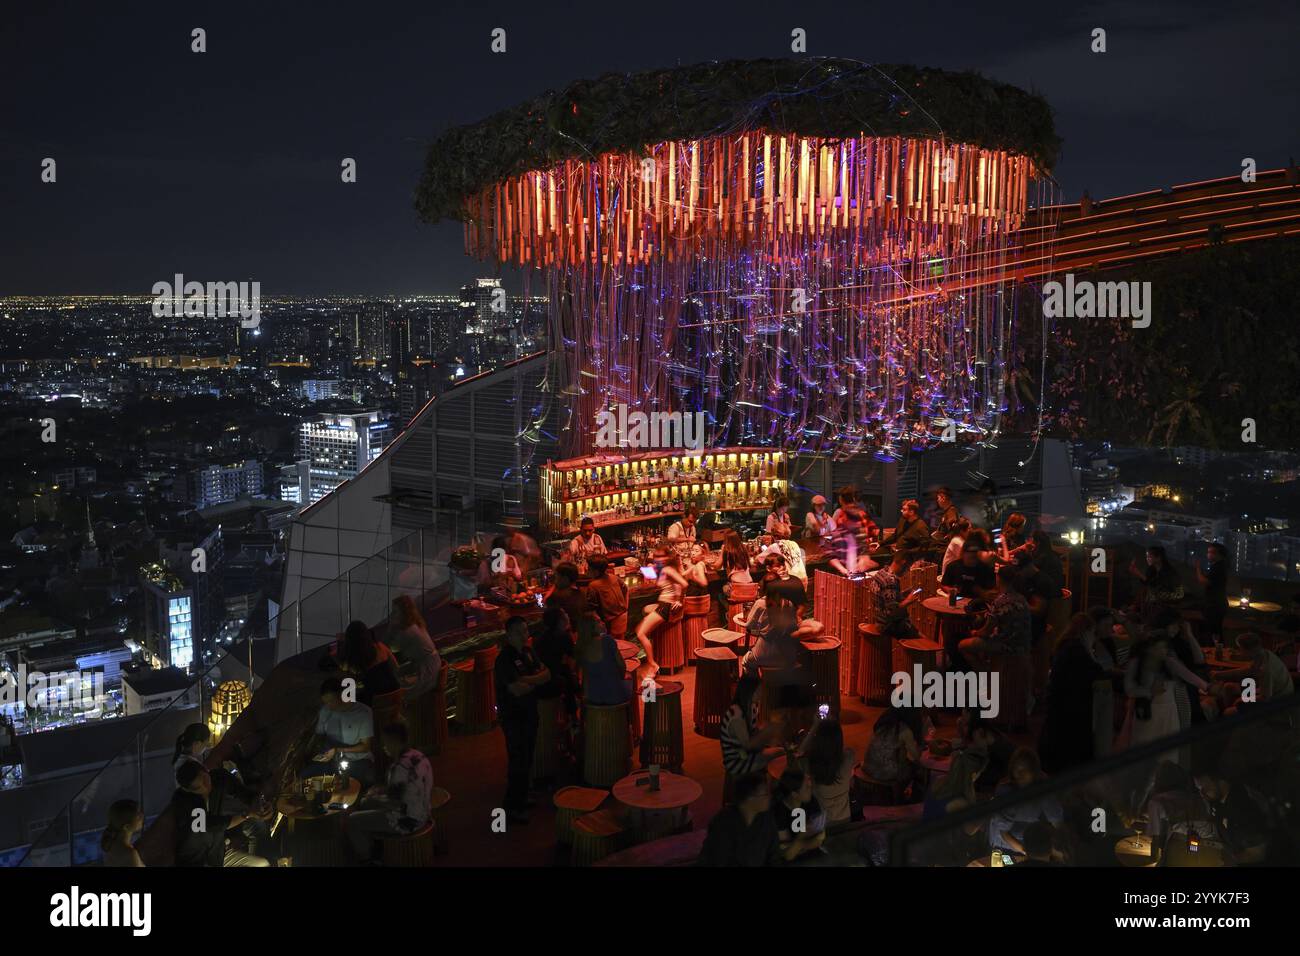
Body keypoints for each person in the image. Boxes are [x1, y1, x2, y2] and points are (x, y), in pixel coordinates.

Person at [344, 722, 434, 864]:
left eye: (385, 742)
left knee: (352, 819)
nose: (383, 746)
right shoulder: (419, 756)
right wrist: (381, 792)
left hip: (408, 821)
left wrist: (375, 796)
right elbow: (408, 787)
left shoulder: (397, 768)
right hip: (424, 811)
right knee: (365, 802)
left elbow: (393, 804)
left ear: (394, 742)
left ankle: (368, 858)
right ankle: (374, 842)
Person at [1038, 613, 1110, 773]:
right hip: (1072, 708)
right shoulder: (1078, 651)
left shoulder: (1064, 646)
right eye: (1093, 633)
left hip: (1060, 705)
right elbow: (1096, 672)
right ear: (1086, 631)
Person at [495, 615, 549, 824]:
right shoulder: (504, 659)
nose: (524, 636)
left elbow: (548, 674)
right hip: (513, 716)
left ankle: (523, 796)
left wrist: (528, 680)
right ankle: (511, 807)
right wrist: (535, 680)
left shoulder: (528, 651)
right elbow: (516, 689)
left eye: (525, 631)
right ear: (508, 635)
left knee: (527, 757)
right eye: (518, 632)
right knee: (517, 760)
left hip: (529, 712)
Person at [172, 762, 271, 867]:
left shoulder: (218, 778)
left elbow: (244, 793)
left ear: (206, 770)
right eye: (198, 788)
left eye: (205, 779)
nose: (206, 786)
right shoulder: (183, 802)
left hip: (218, 854)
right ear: (188, 790)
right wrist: (247, 814)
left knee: (263, 864)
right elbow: (211, 825)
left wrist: (260, 803)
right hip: (197, 860)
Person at [302, 676, 377, 787]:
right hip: (332, 760)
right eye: (325, 702)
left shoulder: (363, 712)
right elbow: (319, 736)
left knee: (364, 782)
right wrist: (316, 750)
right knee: (305, 777)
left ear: (342, 695)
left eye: (331, 701)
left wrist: (338, 750)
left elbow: (365, 746)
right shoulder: (325, 711)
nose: (329, 706)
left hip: (358, 760)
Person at [987, 748, 1063, 853]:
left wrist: (1062, 848)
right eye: (1016, 769)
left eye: (1025, 769)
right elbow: (1004, 833)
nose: (1020, 774)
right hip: (1004, 846)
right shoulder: (1007, 791)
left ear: (1034, 771)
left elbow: (1057, 821)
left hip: (1034, 845)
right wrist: (1029, 854)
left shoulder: (1043, 788)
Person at [697, 771, 781, 867]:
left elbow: (773, 855)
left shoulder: (766, 819)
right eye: (765, 794)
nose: (769, 798)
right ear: (750, 798)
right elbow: (717, 860)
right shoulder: (724, 823)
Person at [959, 565, 1032, 666]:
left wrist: (974, 633)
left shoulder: (1000, 601)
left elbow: (985, 632)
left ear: (998, 578)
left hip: (1006, 645)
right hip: (1023, 643)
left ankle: (985, 676)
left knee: (963, 645)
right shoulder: (1022, 599)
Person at [1193, 771, 1271, 864]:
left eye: (1205, 788)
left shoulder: (1244, 807)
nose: (1202, 794)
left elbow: (1256, 854)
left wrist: (1222, 861)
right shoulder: (1218, 803)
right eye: (1199, 789)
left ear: (1221, 782)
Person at [634, 548, 687, 675]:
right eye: (656, 557)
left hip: (665, 607)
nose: (658, 559)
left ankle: (652, 664)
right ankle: (651, 658)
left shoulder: (668, 569)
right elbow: (651, 577)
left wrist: (679, 601)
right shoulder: (663, 569)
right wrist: (646, 568)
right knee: (643, 616)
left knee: (640, 633)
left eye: (661, 557)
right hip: (663, 605)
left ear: (668, 558)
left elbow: (684, 584)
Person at [797, 717, 855, 828]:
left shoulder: (809, 763)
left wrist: (815, 727)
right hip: (844, 820)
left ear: (817, 740)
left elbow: (799, 752)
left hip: (820, 823)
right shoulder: (848, 757)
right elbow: (843, 750)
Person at [1216, 632, 1295, 712]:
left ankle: (1234, 717)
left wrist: (1243, 700)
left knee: (1228, 712)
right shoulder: (1263, 654)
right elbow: (1249, 670)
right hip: (1268, 690)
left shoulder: (1265, 669)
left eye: (1240, 649)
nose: (1239, 651)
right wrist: (1220, 674)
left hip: (1278, 700)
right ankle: (1237, 714)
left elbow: (1265, 698)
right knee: (1228, 687)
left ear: (1248, 650)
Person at [720, 676, 782, 778]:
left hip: (745, 754)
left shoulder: (752, 707)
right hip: (737, 760)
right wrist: (768, 731)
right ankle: (766, 789)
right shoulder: (736, 714)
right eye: (758, 691)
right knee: (777, 758)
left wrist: (767, 731)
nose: (761, 694)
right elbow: (748, 745)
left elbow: (753, 733)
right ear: (749, 692)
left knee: (780, 751)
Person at [863, 707, 922, 800]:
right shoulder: (904, 729)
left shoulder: (883, 723)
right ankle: (902, 798)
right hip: (886, 773)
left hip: (868, 766)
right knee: (917, 769)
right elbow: (916, 756)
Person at [389, 595, 441, 698]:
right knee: (395, 675)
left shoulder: (408, 631)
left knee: (394, 689)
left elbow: (392, 648)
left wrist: (391, 626)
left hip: (426, 672)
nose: (392, 614)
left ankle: (404, 711)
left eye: (395, 611)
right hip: (433, 667)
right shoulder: (416, 624)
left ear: (403, 613)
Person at [338, 620, 401, 705]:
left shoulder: (354, 659)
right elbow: (396, 667)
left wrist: (340, 643)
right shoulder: (380, 647)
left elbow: (344, 671)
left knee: (344, 696)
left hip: (375, 701)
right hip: (395, 695)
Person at [576, 613, 632, 707]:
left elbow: (585, 677)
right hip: (614, 696)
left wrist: (586, 697)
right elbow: (622, 666)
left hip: (594, 697)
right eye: (599, 621)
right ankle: (627, 719)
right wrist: (621, 678)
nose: (603, 623)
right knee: (631, 679)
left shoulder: (582, 646)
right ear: (591, 627)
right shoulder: (607, 640)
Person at [771, 767, 826, 859]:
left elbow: (819, 839)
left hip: (814, 855)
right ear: (794, 794)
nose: (811, 788)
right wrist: (803, 835)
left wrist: (798, 845)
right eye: (806, 787)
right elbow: (788, 854)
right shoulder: (778, 812)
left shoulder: (811, 801)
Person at [535, 606, 578, 719]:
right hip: (553, 679)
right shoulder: (563, 636)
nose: (567, 615)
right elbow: (573, 659)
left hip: (540, 678)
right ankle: (573, 717)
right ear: (560, 621)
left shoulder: (542, 636)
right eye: (564, 614)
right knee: (571, 679)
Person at [923, 748, 989, 821]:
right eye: (980, 773)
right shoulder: (960, 802)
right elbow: (970, 830)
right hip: (937, 831)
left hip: (924, 828)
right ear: (974, 775)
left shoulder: (939, 779)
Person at [867, 552, 921, 636]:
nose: (908, 571)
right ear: (904, 563)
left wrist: (901, 594)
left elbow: (886, 599)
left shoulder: (882, 572)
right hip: (887, 625)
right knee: (922, 639)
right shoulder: (890, 581)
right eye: (908, 567)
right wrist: (908, 601)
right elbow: (892, 611)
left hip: (878, 619)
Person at [1129, 545, 1184, 620]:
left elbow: (1156, 587)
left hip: (1171, 598)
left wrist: (1139, 574)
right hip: (1156, 600)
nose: (1147, 559)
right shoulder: (1151, 570)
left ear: (1158, 558)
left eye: (1149, 557)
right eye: (1147, 557)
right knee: (1145, 593)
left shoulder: (1168, 572)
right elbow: (1148, 584)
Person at [585, 556, 629, 639]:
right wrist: (625, 606)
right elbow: (626, 589)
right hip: (622, 618)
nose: (587, 571)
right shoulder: (614, 577)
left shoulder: (593, 585)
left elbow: (591, 608)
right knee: (620, 643)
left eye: (589, 569)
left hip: (609, 623)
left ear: (596, 571)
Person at [1195, 543, 1229, 646]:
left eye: (1212, 552)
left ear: (1219, 554)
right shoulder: (1220, 566)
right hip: (1217, 604)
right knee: (1215, 631)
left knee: (1213, 633)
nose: (1208, 555)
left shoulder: (1218, 567)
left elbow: (1204, 581)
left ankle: (1216, 654)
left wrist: (1198, 569)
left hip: (1214, 605)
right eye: (1208, 552)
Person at [880, 499, 933, 564]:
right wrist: (881, 543)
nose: (901, 511)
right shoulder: (903, 520)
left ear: (911, 512)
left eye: (904, 510)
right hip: (898, 556)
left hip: (909, 560)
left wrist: (906, 552)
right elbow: (895, 536)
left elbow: (924, 548)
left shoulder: (921, 526)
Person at [828, 507, 877, 576]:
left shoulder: (861, 535)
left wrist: (863, 562)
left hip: (858, 575)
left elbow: (865, 554)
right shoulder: (836, 535)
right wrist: (842, 569)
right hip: (841, 575)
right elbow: (831, 557)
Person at [546, 562, 587, 637]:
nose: (555, 581)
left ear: (565, 579)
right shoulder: (580, 593)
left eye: (557, 577)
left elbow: (545, 605)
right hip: (582, 633)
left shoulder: (557, 597)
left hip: (567, 637)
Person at [101, 799, 145, 867]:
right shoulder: (130, 854)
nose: (142, 816)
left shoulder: (110, 845)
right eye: (138, 816)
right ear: (126, 827)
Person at [719, 530, 754, 599]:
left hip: (737, 587)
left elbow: (717, 565)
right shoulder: (743, 548)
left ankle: (732, 609)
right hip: (750, 585)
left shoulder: (726, 549)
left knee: (721, 593)